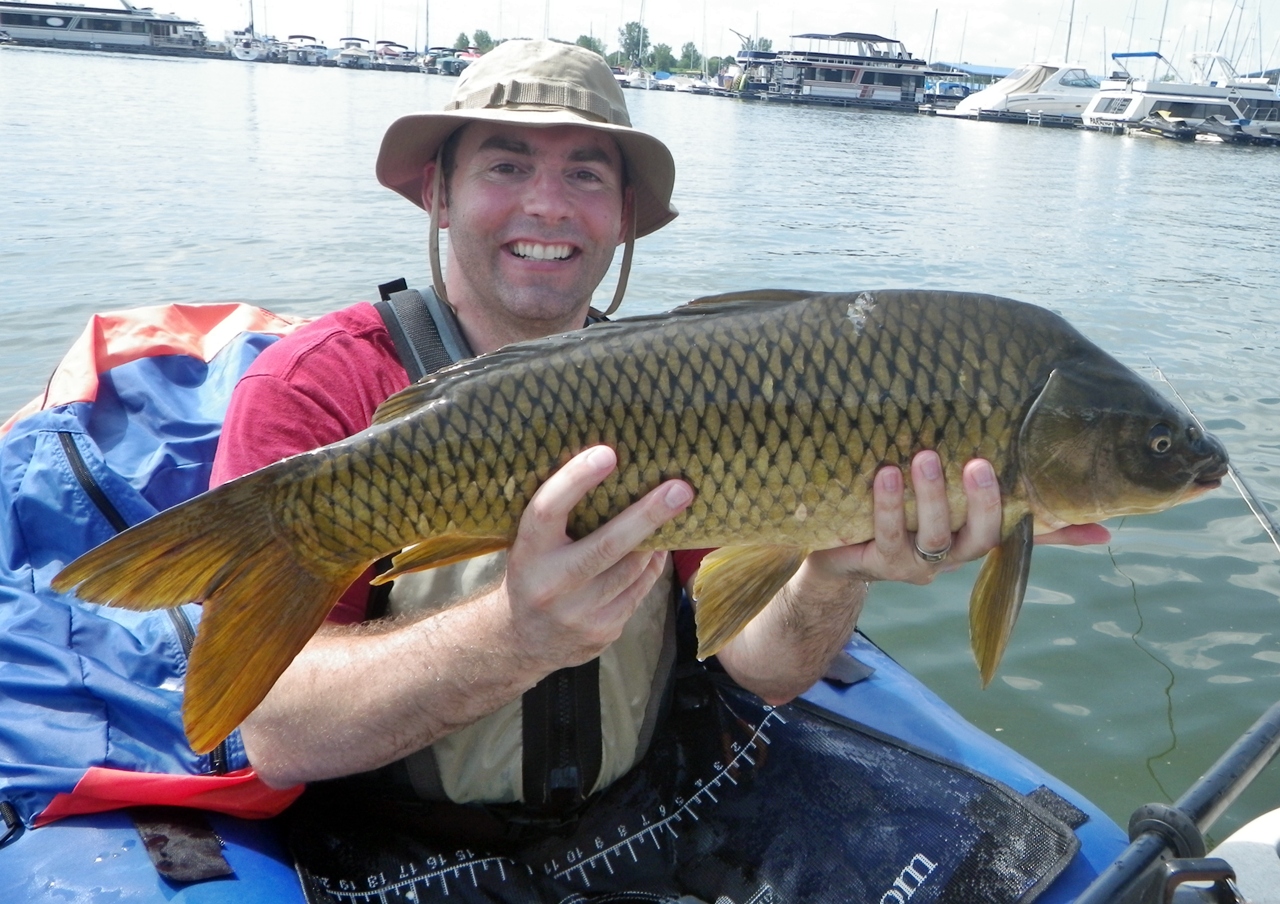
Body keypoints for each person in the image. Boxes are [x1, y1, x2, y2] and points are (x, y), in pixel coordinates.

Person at [211, 40, 1105, 812]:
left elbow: (757, 669)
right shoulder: (317, 388)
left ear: (625, 216)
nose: (549, 204)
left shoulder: (688, 383)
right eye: (506, 165)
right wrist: (516, 635)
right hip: (385, 844)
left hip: (633, 824)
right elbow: (279, 738)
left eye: (587, 175)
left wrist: (836, 571)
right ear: (439, 194)